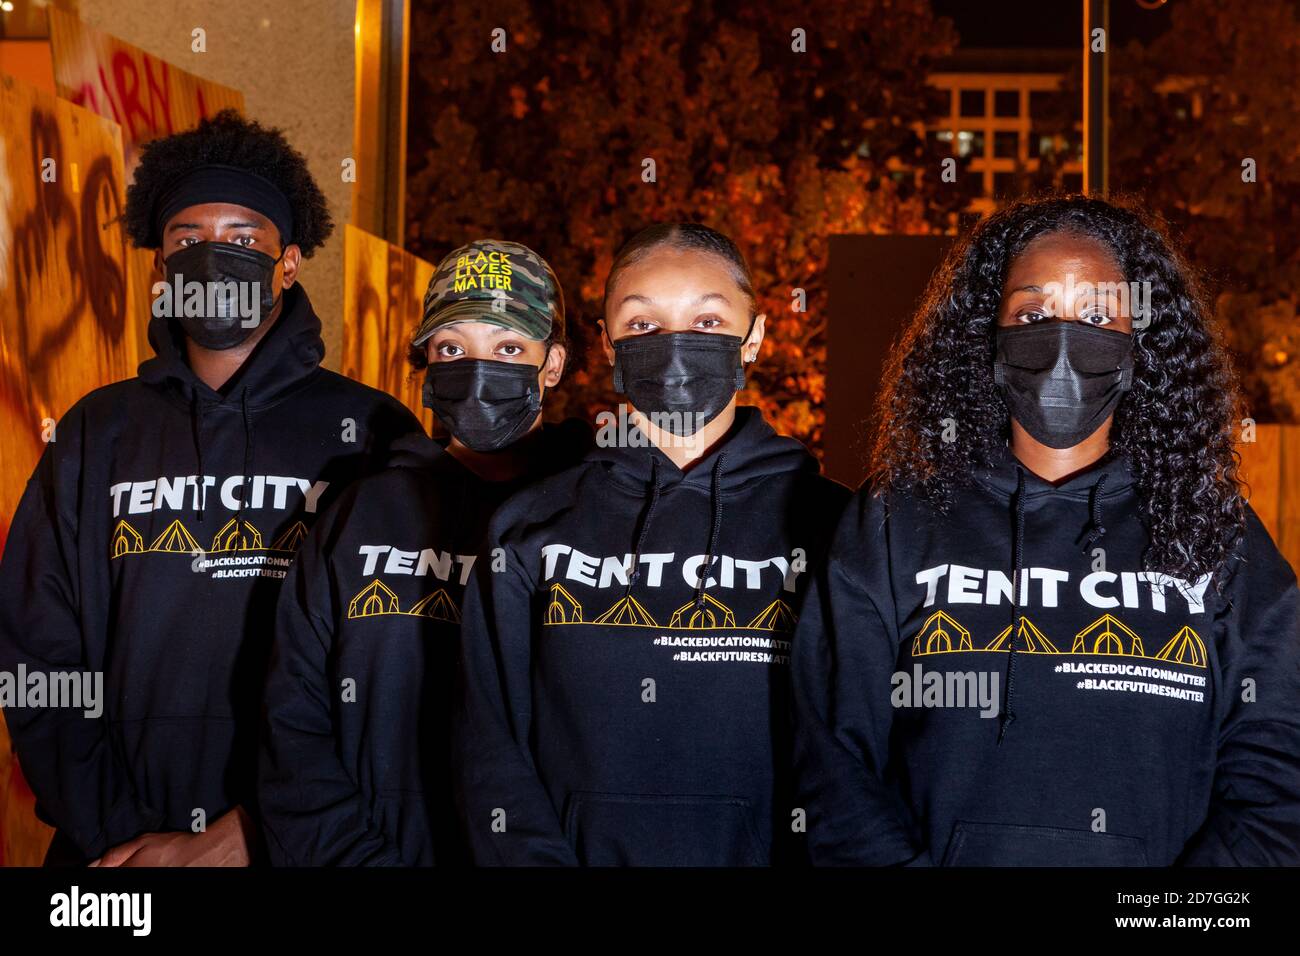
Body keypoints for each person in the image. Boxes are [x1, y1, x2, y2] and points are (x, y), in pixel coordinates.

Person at [792, 195, 1300, 866]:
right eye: (1033, 314)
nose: (1063, 339)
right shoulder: (894, 522)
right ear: (989, 336)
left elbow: (1276, 780)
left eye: (1096, 315)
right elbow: (831, 762)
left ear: (1140, 343)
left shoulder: (1219, 535)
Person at [0, 110, 422, 867]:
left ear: (288, 262)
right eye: (187, 241)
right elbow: (37, 651)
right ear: (160, 271)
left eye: (242, 239)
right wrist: (122, 836)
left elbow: (398, 669)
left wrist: (254, 834)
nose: (212, 257)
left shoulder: (372, 431)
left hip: (305, 850)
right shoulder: (98, 433)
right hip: (112, 856)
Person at [454, 222, 850, 866]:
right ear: (608, 343)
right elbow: (490, 748)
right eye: (642, 326)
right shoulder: (532, 524)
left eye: (706, 320)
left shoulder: (835, 525)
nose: (672, 347)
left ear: (753, 339)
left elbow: (856, 757)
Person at [259, 240, 589, 865]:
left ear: (552, 365)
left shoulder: (595, 517)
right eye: (452, 347)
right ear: (426, 363)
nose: (479, 367)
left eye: (509, 348)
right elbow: (293, 721)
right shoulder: (360, 514)